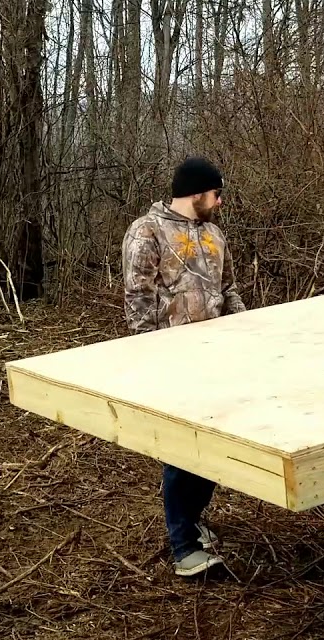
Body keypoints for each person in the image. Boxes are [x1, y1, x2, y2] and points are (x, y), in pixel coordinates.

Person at [121, 154, 246, 577]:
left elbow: (227, 287)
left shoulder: (214, 233)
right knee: (180, 449)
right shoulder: (147, 231)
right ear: (197, 193)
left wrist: (249, 329)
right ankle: (183, 547)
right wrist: (148, 352)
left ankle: (191, 521)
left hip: (218, 355)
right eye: (216, 194)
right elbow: (137, 297)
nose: (220, 201)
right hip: (171, 357)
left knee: (215, 442)